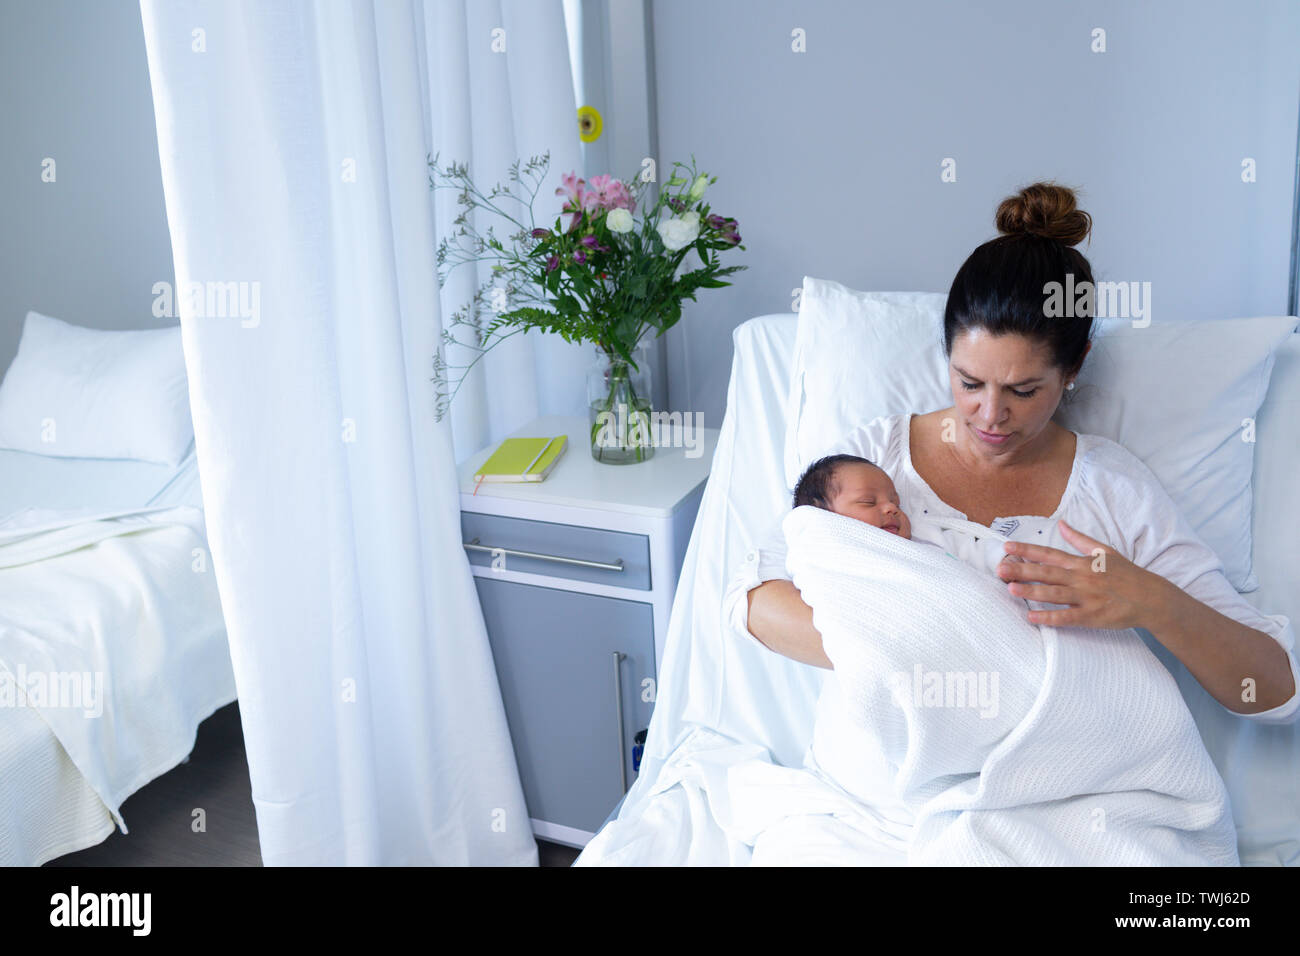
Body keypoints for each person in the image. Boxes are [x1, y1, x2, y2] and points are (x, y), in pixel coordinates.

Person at [728, 181, 1299, 723]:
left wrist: (1152, 601)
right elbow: (753, 601)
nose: (990, 415)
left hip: (1067, 788)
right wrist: (930, 659)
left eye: (1023, 391)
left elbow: (1273, 689)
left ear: (1073, 369)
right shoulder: (869, 466)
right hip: (898, 790)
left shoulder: (1113, 489)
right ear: (946, 354)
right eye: (969, 382)